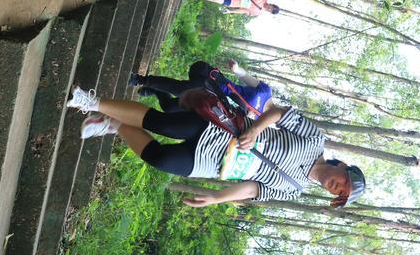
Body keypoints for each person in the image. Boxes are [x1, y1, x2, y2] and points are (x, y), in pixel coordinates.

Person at [66, 86, 366, 208]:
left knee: (159, 158)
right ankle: (90, 101)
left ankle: (112, 124)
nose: (335, 187)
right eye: (343, 183)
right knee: (161, 123)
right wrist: (258, 129)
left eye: (338, 193)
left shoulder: (294, 188)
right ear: (342, 167)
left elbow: (251, 189)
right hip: (222, 131)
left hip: (214, 163)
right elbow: (279, 112)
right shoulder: (315, 140)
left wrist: (217, 198)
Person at [130, 60, 272, 117]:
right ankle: (141, 80)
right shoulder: (266, 92)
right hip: (211, 81)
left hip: (210, 103)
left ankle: (156, 90)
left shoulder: (258, 122)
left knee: (169, 108)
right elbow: (245, 76)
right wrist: (236, 69)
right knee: (183, 90)